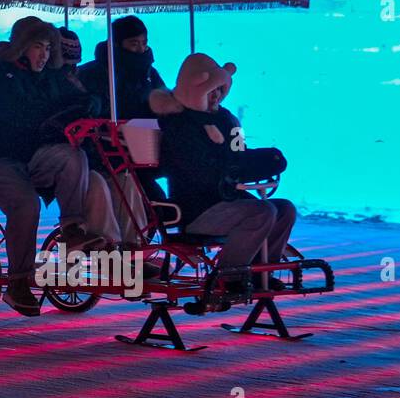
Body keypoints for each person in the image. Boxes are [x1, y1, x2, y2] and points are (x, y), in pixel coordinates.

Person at [0, 17, 104, 317]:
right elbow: (23, 115)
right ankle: (18, 281)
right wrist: (61, 109)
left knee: (72, 156)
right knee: (26, 204)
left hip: (25, 160)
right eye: (39, 46)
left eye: (49, 48)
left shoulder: (46, 76)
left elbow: (77, 98)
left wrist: (88, 104)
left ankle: (73, 228)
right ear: (23, 47)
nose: (45, 54)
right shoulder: (0, 74)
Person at [151, 53, 296, 288]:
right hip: (198, 209)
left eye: (220, 90)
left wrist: (263, 162)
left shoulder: (228, 119)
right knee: (262, 212)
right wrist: (232, 171)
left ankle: (261, 272)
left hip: (230, 200)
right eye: (212, 91)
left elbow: (239, 152)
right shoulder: (179, 125)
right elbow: (198, 170)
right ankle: (229, 277)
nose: (217, 96)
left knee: (285, 209)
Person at [56, 26, 150, 251]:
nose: (72, 68)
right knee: (98, 183)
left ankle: (134, 246)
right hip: (69, 155)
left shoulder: (77, 80)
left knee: (125, 180)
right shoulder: (77, 79)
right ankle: (108, 247)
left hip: (95, 151)